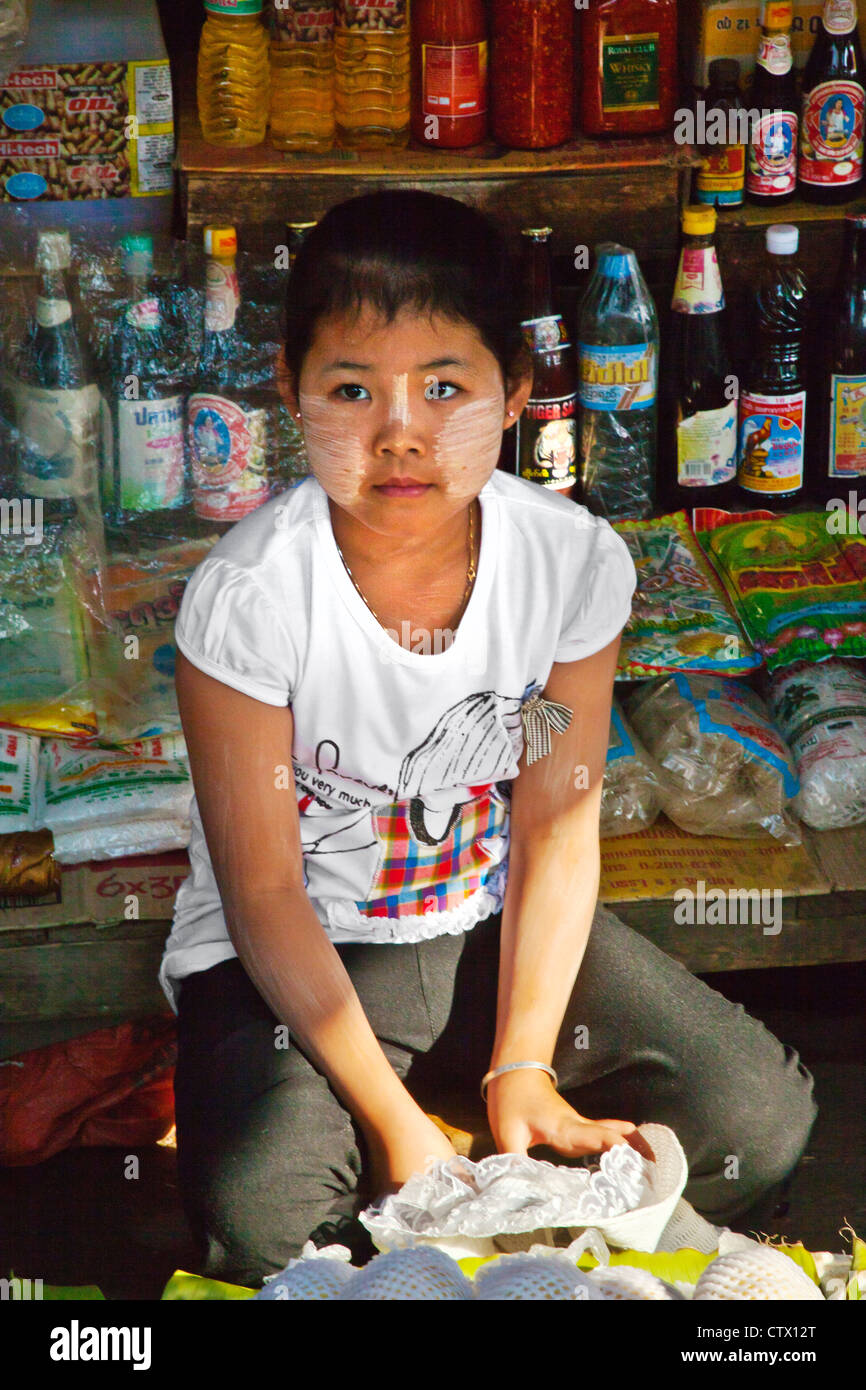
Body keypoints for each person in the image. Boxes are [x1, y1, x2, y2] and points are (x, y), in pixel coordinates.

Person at [159, 189, 817, 1287]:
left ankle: (482, 1181)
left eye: (447, 388)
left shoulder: (569, 561)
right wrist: (391, 1124)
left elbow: (557, 822)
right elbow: (263, 891)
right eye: (352, 389)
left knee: (757, 1113)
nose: (401, 433)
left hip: (478, 931)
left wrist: (521, 1060)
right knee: (259, 1213)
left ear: (516, 392)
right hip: (292, 956)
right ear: (290, 393)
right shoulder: (248, 597)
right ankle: (456, 1185)